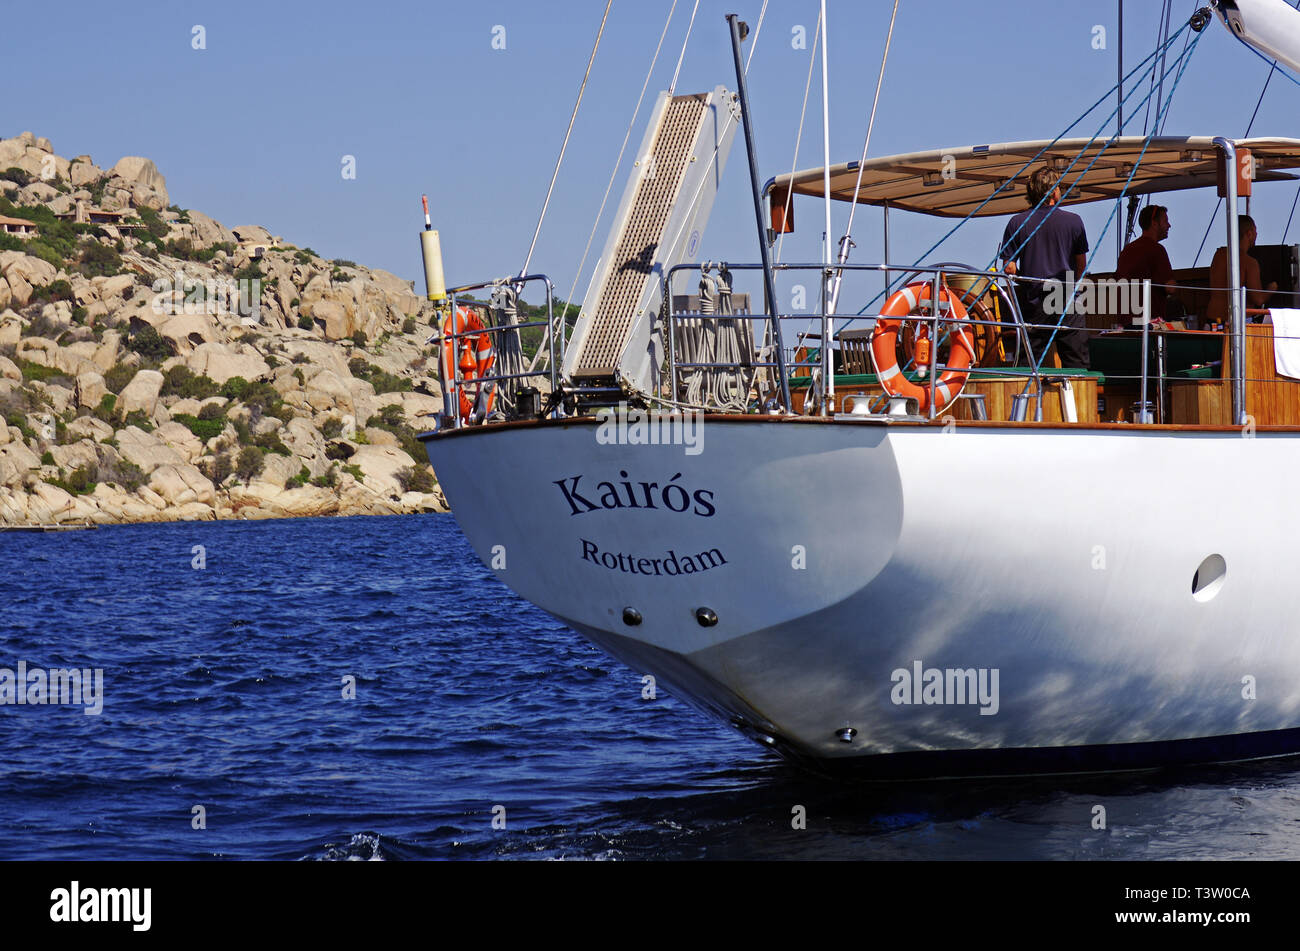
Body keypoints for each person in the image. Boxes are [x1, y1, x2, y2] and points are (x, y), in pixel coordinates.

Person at [999, 167, 1090, 368]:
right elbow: (1081, 266)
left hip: (1034, 303)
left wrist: (1027, 273)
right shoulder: (1074, 221)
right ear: (1054, 191)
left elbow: (1009, 268)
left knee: (1029, 365)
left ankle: (1029, 398)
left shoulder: (1017, 222)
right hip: (1067, 302)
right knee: (1076, 365)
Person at [1207, 214, 1276, 329]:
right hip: (1236, 323)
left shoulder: (1218, 255)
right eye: (1255, 231)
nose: (1257, 234)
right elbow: (1258, 299)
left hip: (1212, 320)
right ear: (1249, 234)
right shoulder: (1249, 262)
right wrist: (1271, 289)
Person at [1116, 204, 1177, 325]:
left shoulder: (1127, 250)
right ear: (1154, 224)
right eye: (1165, 221)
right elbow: (1170, 288)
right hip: (1150, 324)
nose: (1169, 225)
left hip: (1126, 323)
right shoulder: (1157, 250)